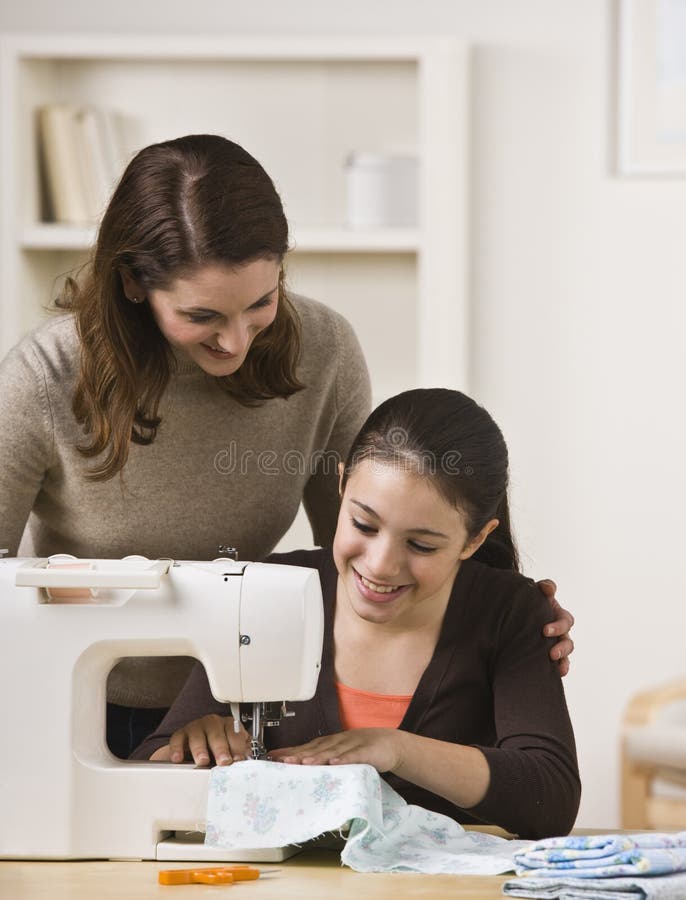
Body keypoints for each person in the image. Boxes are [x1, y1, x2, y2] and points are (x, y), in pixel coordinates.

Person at [0, 134, 572, 757]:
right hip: (65, 704)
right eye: (202, 317)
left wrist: (508, 619)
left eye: (260, 303)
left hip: (237, 708)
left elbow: (362, 552)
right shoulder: (44, 377)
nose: (237, 341)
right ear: (135, 283)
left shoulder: (323, 354)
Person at [132, 389, 581, 840]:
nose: (381, 564)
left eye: (421, 545)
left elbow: (551, 797)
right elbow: (145, 769)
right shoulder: (271, 588)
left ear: (475, 539)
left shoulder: (509, 612)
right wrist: (194, 742)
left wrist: (397, 750)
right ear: (343, 484)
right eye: (363, 524)